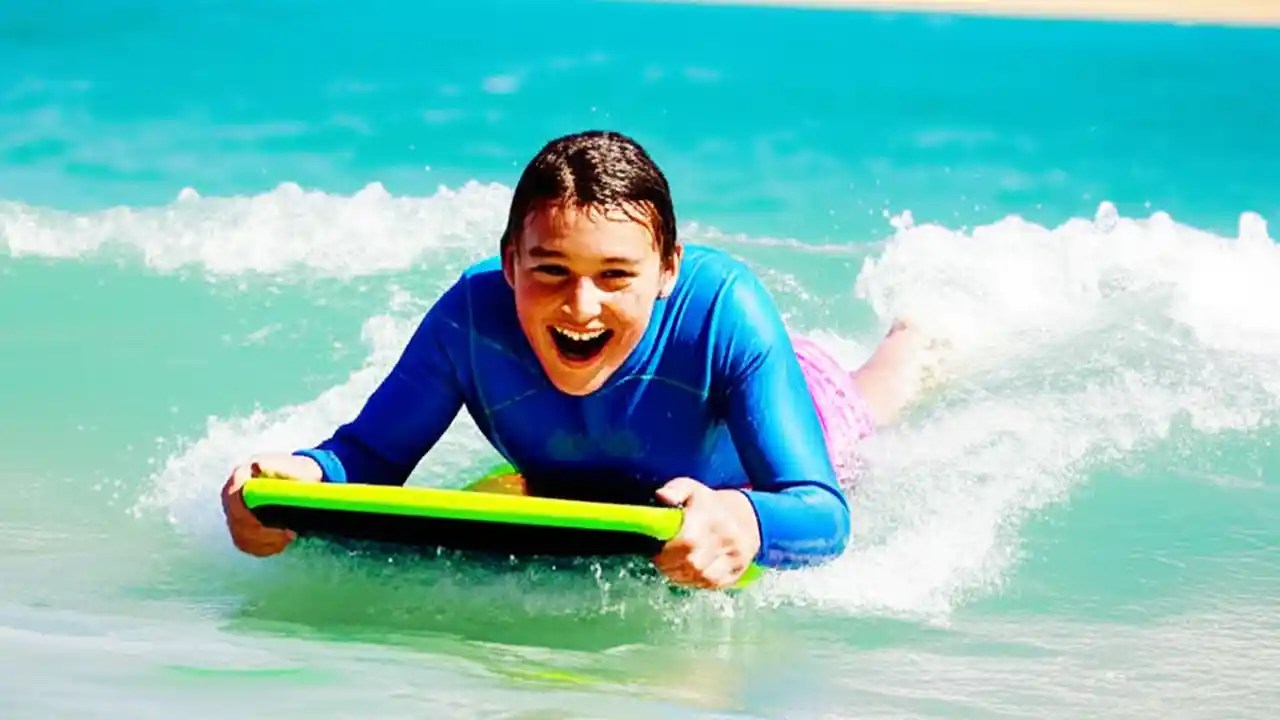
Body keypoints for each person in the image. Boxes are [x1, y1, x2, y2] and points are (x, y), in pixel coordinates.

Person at [221, 130, 926, 590]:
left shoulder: (724, 307)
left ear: (668, 269)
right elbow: (372, 454)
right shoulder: (470, 318)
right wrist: (301, 479)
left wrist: (744, 519)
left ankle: (921, 329)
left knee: (878, 392)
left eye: (615, 276)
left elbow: (822, 512)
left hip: (797, 402)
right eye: (550, 271)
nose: (580, 307)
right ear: (510, 263)